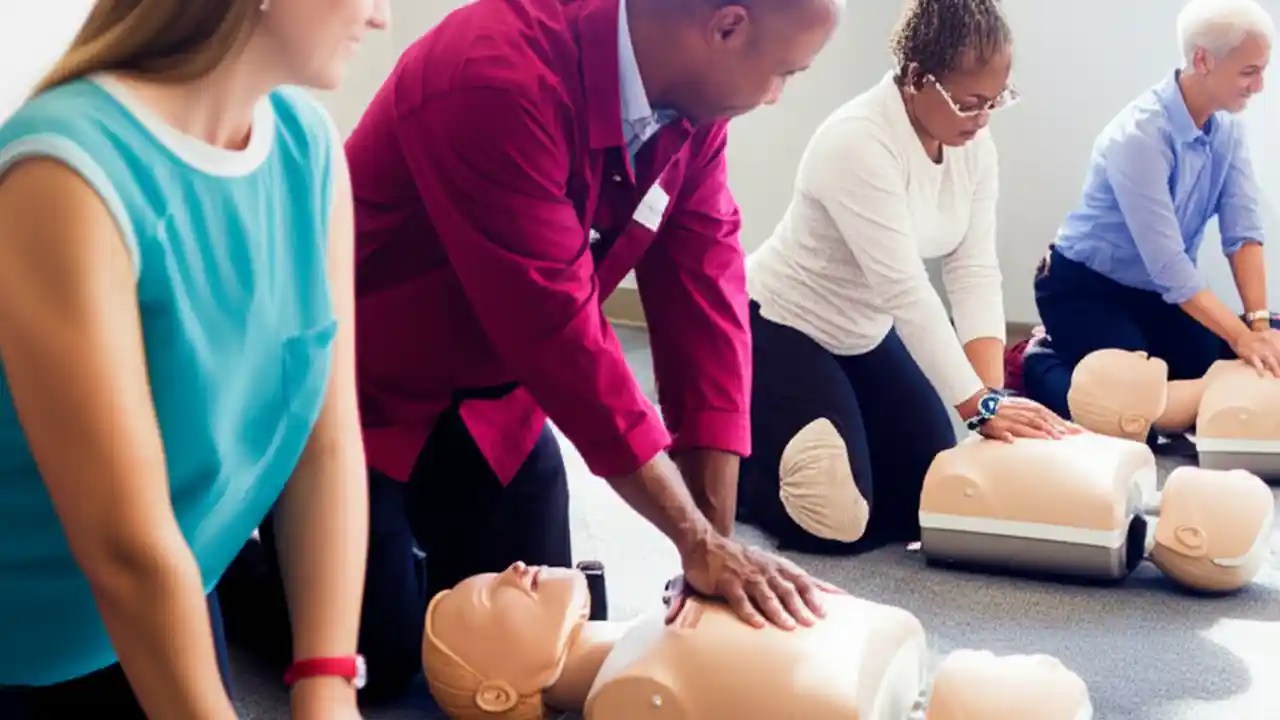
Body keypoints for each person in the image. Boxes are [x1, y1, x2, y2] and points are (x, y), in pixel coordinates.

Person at [219, 0, 844, 701]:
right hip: (360, 392)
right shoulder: (494, 74)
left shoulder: (693, 112)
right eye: (782, 73)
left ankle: (401, 554)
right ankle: (221, 557)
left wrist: (710, 544)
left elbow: (707, 309)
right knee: (382, 653)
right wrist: (695, 541)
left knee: (547, 638)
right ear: (726, 28)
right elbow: (564, 339)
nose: (775, 96)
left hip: (493, 397)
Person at [0, 0, 387, 718]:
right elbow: (126, 551)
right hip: (29, 640)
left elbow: (327, 443)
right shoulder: (66, 172)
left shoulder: (309, 150)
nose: (381, 17)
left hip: (168, 592)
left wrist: (327, 678)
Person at [737, 0, 1072, 556]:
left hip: (864, 332)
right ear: (917, 77)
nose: (982, 119)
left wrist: (992, 400)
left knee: (925, 500)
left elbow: (973, 270)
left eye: (995, 102)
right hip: (779, 326)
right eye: (969, 103)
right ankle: (721, 452)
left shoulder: (972, 144)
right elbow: (906, 290)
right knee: (835, 523)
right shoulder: (856, 142)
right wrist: (978, 409)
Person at [1022, 0, 1278, 425]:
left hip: (1157, 292)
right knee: (1125, 409)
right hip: (1086, 287)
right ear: (1203, 60)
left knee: (1207, 363)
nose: (1259, 86)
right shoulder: (1138, 137)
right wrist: (1242, 339)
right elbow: (1170, 265)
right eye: (1249, 72)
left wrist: (1258, 326)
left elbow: (1243, 233)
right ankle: (1039, 361)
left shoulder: (1228, 129)